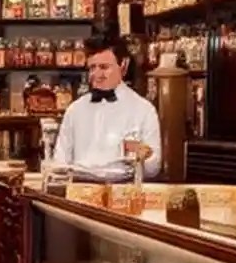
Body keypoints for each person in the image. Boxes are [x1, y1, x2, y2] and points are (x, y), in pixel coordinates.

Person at [52, 37, 161, 180]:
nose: (97, 75)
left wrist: (144, 155)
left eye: (104, 67)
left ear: (124, 65)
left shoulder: (144, 110)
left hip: (124, 187)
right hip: (80, 186)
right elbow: (60, 163)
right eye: (92, 68)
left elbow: (154, 169)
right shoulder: (74, 110)